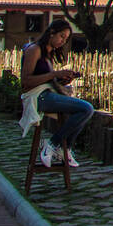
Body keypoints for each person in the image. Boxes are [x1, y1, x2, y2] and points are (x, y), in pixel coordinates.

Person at [19, 18, 92, 168]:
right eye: (61, 37)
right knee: (86, 108)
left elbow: (46, 80)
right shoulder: (34, 49)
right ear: (52, 33)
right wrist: (54, 74)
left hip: (46, 94)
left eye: (66, 39)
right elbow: (26, 81)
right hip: (37, 97)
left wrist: (62, 81)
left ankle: (66, 148)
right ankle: (53, 144)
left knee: (84, 111)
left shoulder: (48, 54)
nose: (63, 42)